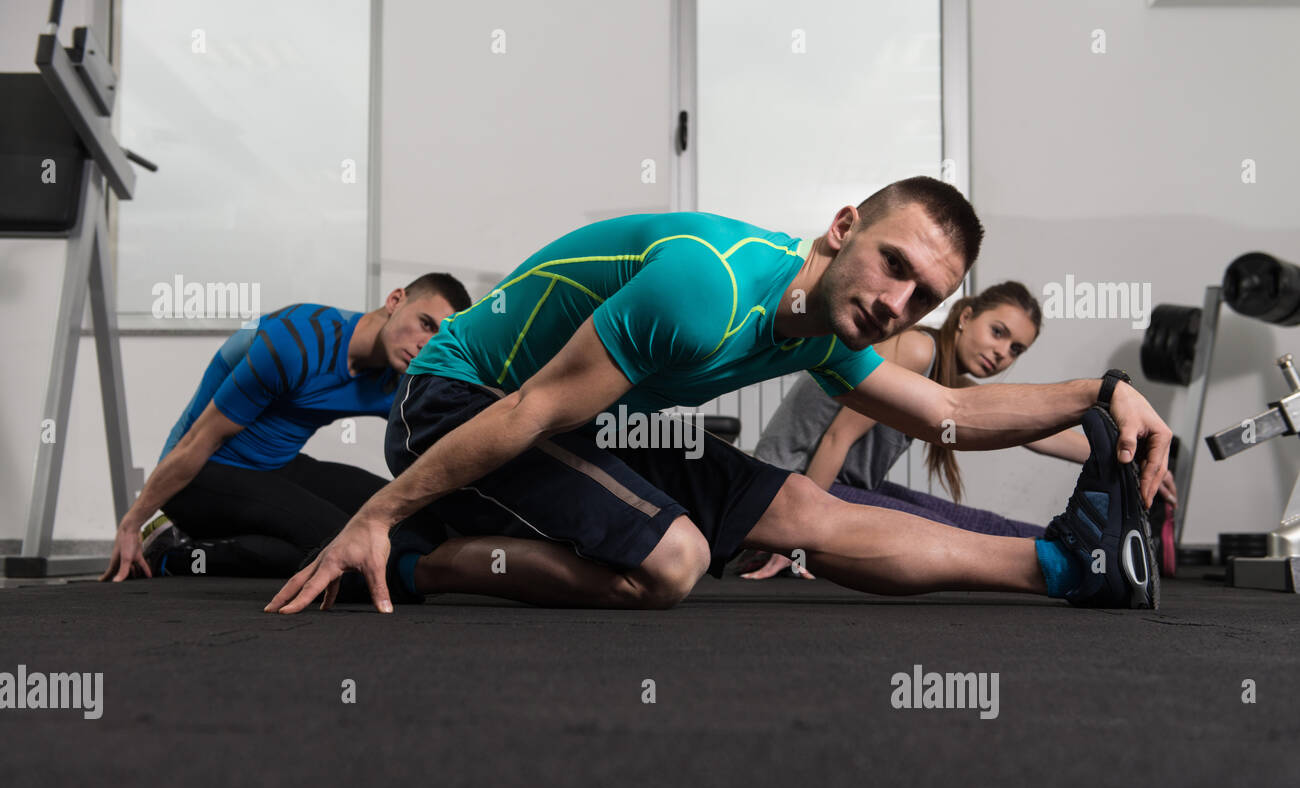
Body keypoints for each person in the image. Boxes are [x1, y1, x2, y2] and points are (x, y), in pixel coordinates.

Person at [265, 176, 1172, 616]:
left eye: (924, 296)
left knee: (806, 507)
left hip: (585, 420)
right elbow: (529, 411)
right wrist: (375, 516)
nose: (898, 303)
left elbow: (949, 414)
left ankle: (1064, 567)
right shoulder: (705, 288)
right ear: (843, 227)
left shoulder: (828, 323)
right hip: (458, 402)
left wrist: (1104, 394)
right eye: (893, 264)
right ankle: (421, 556)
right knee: (673, 562)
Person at [739, 281, 1178, 579]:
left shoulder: (945, 378)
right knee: (955, 535)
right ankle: (1095, 563)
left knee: (981, 523)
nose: (1001, 353)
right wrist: (793, 534)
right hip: (791, 487)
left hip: (837, 487)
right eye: (998, 332)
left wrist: (1133, 461)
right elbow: (838, 438)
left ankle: (1103, 552)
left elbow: (1034, 432)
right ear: (965, 317)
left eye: (1015, 349)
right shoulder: (914, 349)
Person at [101, 272, 471, 582]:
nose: (426, 344)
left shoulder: (396, 377)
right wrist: (132, 522)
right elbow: (199, 440)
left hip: (278, 465)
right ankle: (171, 551)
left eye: (438, 338)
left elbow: (449, 435)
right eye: (425, 324)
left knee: (411, 517)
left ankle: (247, 539)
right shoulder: (296, 343)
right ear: (395, 300)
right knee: (345, 546)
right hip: (203, 474)